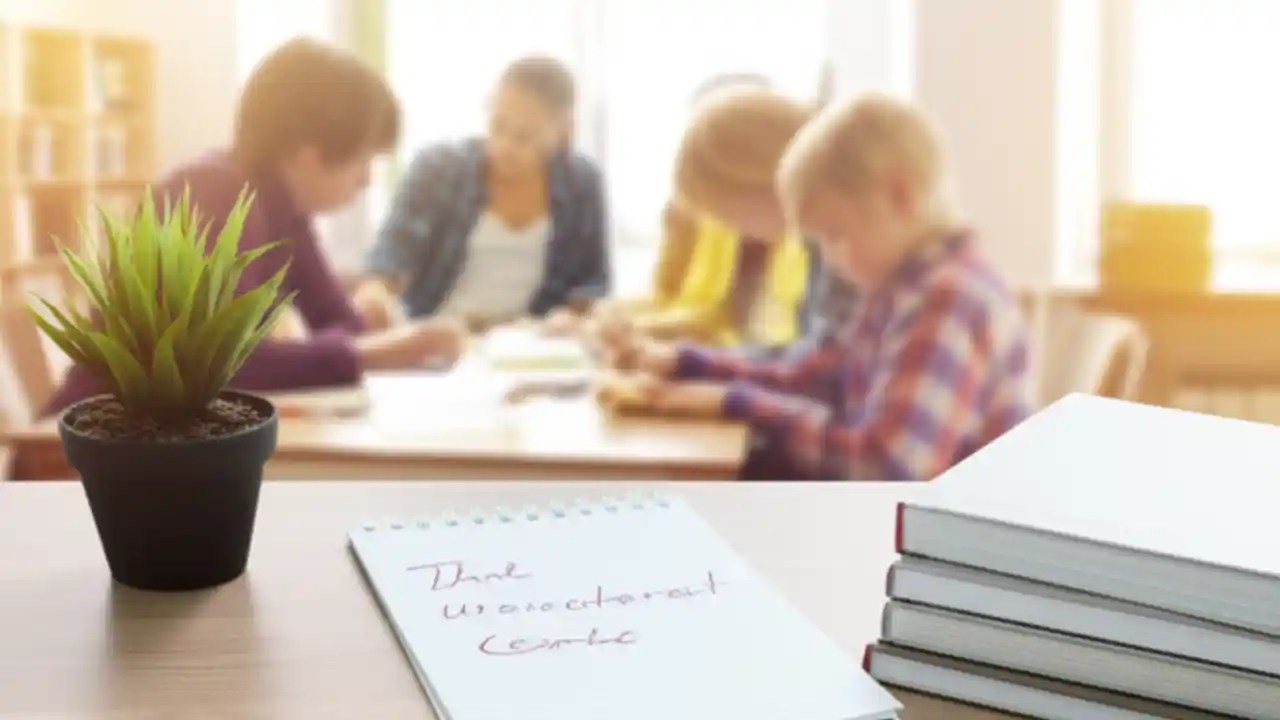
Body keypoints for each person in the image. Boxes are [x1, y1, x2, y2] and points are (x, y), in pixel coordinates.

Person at [604, 94, 1032, 481]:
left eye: (836, 236)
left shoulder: (948, 299)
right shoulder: (900, 288)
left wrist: (734, 403)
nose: (828, 259)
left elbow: (884, 468)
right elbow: (819, 378)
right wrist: (688, 368)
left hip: (937, 547)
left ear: (902, 197)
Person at [43, 38, 466, 416]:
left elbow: (340, 324)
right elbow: (209, 366)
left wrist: (369, 330)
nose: (366, 181)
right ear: (308, 153)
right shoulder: (214, 193)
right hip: (91, 448)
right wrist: (375, 353)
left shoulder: (283, 211)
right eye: (363, 161)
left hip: (153, 443)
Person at [355, 56, 609, 333]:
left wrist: (573, 317)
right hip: (436, 337)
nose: (504, 146)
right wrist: (375, 292)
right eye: (497, 126)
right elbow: (392, 254)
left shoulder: (582, 184)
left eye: (524, 137)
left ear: (563, 131)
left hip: (530, 347)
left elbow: (592, 284)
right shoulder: (439, 169)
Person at [594, 87, 815, 352]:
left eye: (725, 210)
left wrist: (688, 364)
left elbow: (799, 361)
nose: (728, 225)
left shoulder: (818, 253)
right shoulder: (762, 235)